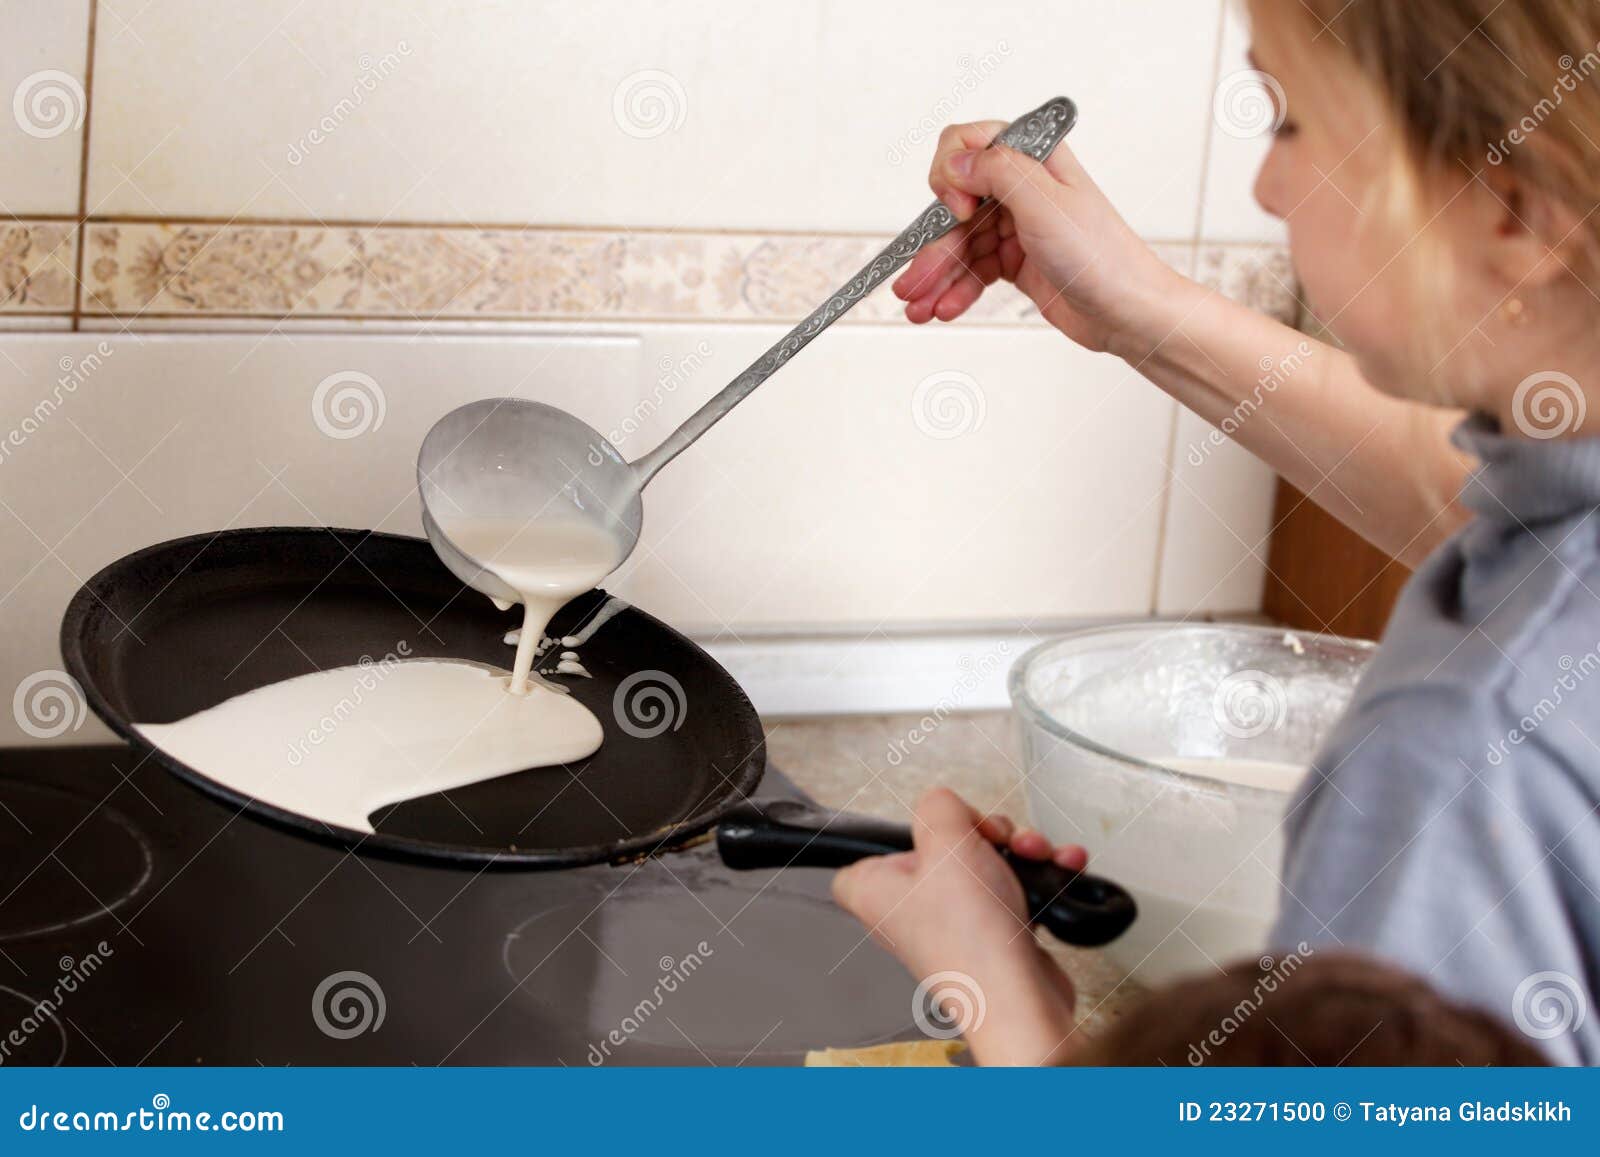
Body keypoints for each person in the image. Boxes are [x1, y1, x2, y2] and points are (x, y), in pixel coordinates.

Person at [833, 0, 1600, 1066]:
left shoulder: (1456, 748)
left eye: (1290, 122)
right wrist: (1136, 307)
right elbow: (1480, 498)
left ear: (1512, 214)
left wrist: (1008, 1008)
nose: (1265, 187)